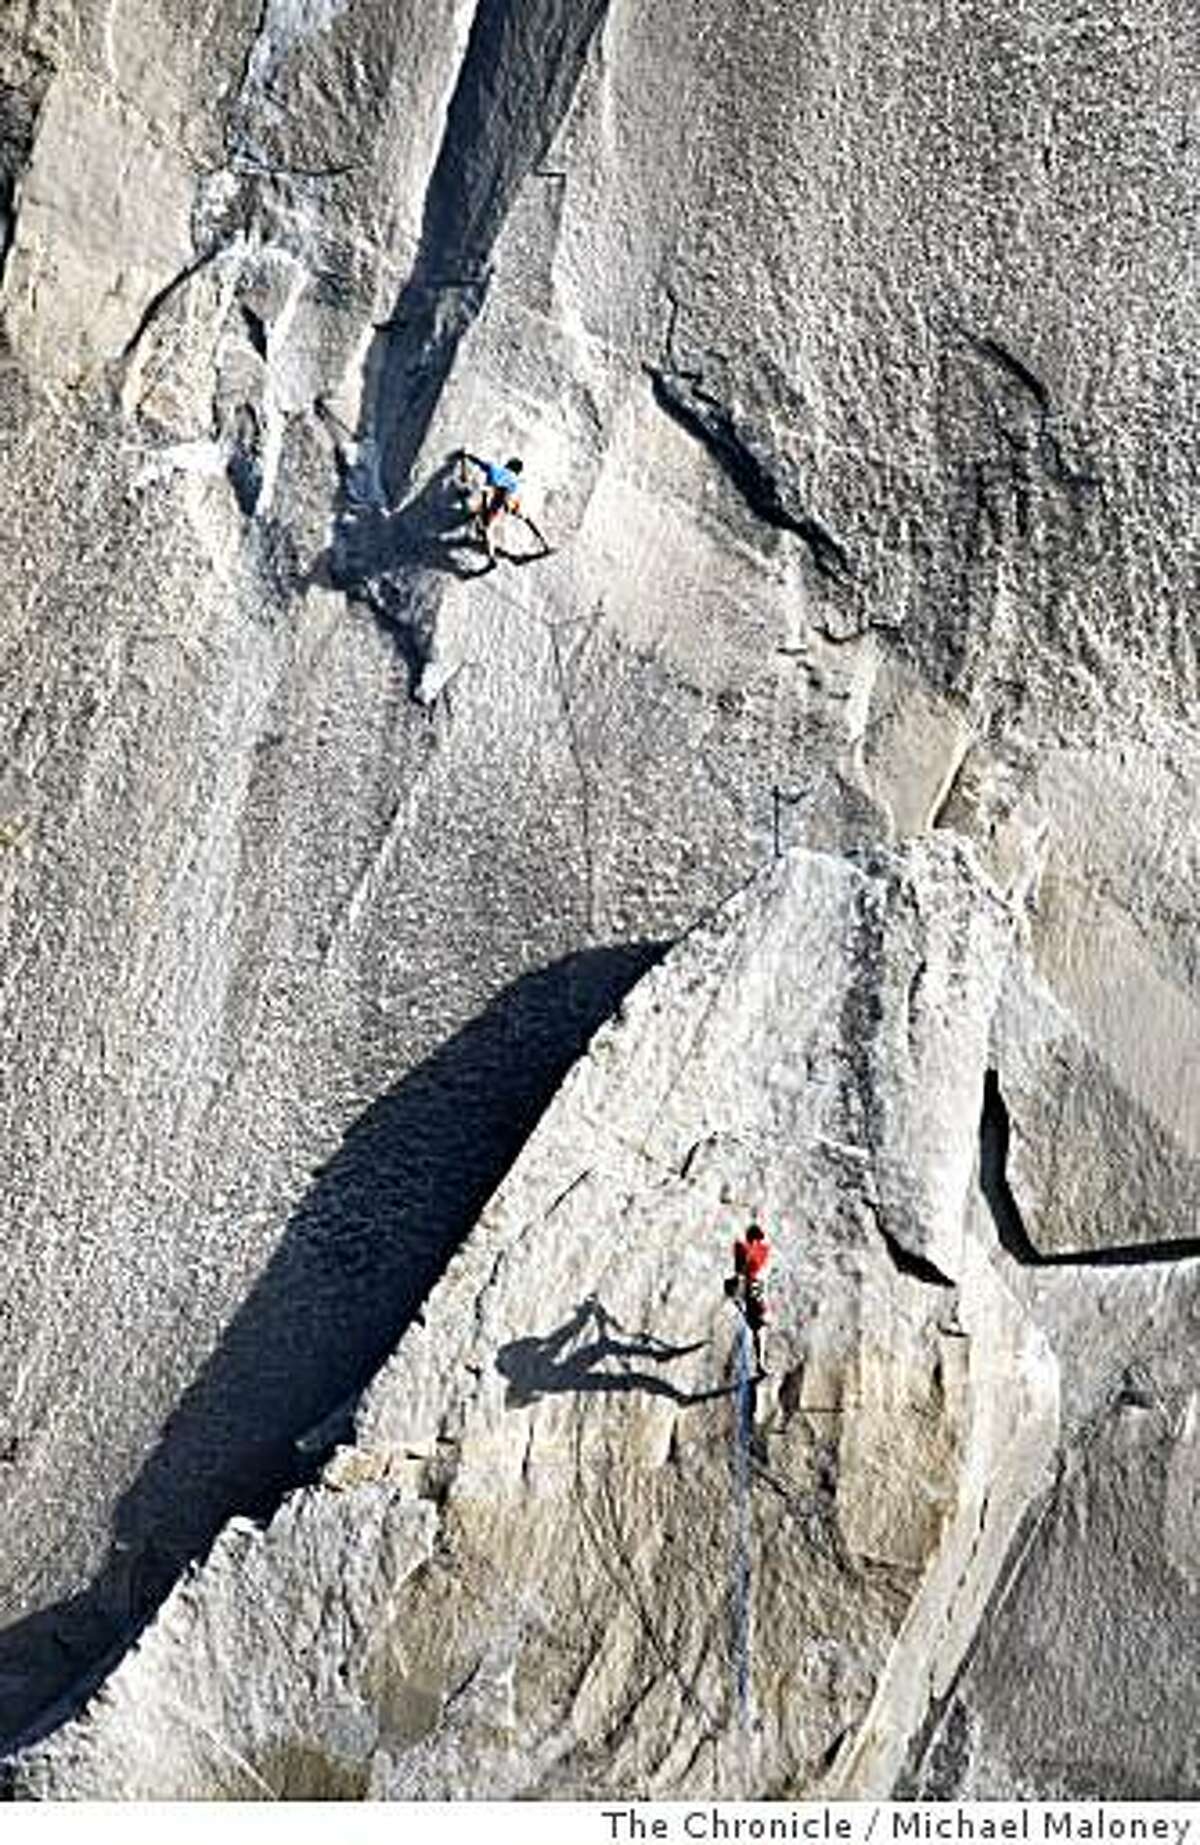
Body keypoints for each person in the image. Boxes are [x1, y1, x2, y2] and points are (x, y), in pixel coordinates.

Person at [456, 449, 550, 563]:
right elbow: (509, 494)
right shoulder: (514, 479)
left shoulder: (494, 468)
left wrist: (466, 455)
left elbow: (478, 461)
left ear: (507, 465)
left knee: (487, 527)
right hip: (507, 499)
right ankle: (544, 543)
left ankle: (491, 558)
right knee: (527, 519)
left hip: (492, 497)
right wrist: (510, 507)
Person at [724, 1221, 770, 1374]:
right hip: (754, 1286)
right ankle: (760, 1363)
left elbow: (739, 1269)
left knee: (756, 1324)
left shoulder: (743, 1247)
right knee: (759, 1326)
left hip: (749, 1286)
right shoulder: (762, 1249)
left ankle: (759, 1362)